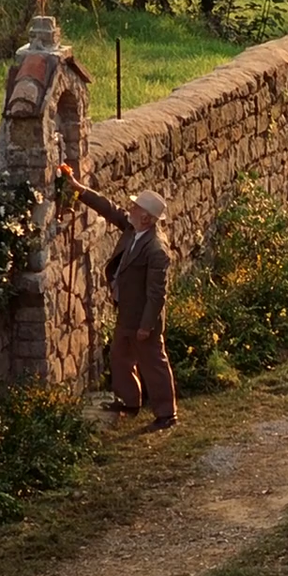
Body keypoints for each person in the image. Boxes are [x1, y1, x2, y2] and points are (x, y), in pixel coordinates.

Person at [63, 168, 178, 431]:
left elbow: (156, 294)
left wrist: (146, 326)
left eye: (136, 208)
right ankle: (129, 402)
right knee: (120, 357)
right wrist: (78, 189)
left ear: (147, 219)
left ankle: (166, 413)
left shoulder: (156, 250)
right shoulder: (133, 228)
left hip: (142, 318)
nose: (131, 210)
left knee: (153, 363)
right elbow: (109, 209)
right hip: (126, 311)